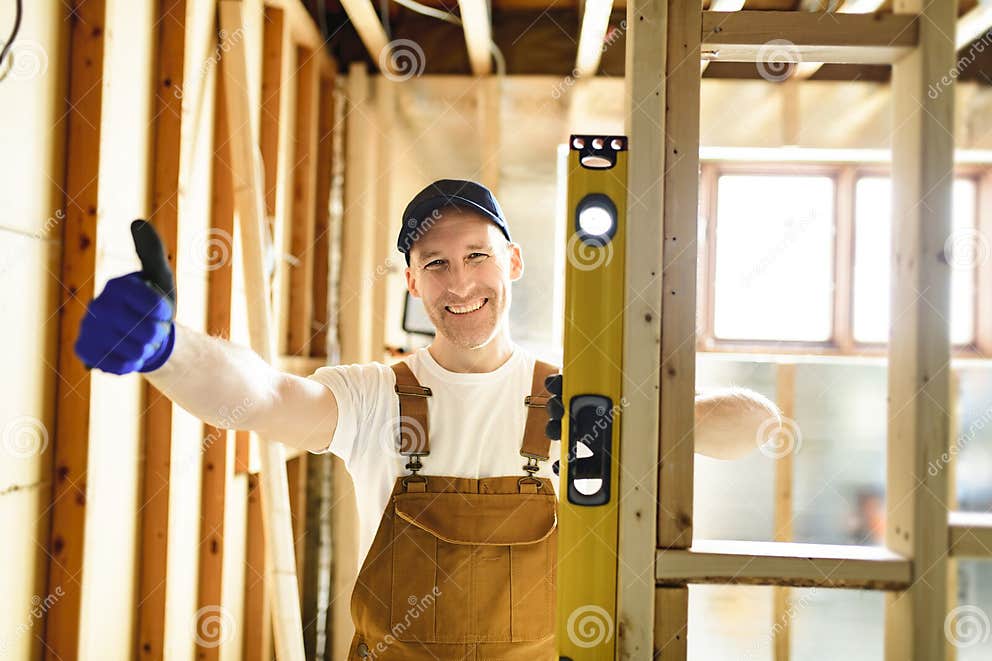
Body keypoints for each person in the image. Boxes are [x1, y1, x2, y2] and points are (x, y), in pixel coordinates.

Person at [75, 179, 780, 659]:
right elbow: (262, 397)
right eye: (435, 263)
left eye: (478, 255)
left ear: (513, 260)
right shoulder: (376, 396)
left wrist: (626, 420)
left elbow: (751, 428)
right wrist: (169, 349)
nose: (461, 281)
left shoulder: (580, 399)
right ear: (412, 282)